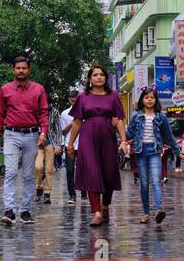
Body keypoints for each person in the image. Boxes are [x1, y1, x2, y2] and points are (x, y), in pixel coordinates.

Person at [65, 65, 129, 227]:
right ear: (89, 79)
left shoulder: (113, 96)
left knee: (108, 173)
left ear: (106, 78)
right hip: (87, 137)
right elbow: (78, 122)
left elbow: (119, 119)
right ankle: (97, 213)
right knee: (92, 171)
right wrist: (70, 144)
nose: (98, 77)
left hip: (107, 137)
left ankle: (105, 205)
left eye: (101, 74)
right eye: (95, 75)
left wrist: (123, 141)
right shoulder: (82, 97)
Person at [0, 54, 49, 225]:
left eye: (24, 68)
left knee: (30, 175)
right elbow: (0, 114)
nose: (21, 70)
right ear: (13, 70)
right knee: (10, 172)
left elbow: (44, 112)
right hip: (11, 134)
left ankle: (25, 210)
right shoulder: (5, 89)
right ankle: (9, 210)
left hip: (32, 135)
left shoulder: (38, 89)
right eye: (18, 68)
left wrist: (43, 132)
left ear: (29, 70)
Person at [126, 86, 179, 224]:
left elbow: (169, 136)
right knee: (144, 183)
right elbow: (129, 134)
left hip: (155, 151)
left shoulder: (161, 117)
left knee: (156, 181)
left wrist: (177, 151)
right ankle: (146, 213)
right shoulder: (136, 116)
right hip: (140, 151)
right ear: (142, 100)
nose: (149, 100)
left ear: (156, 100)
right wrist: (117, 128)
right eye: (146, 97)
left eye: (152, 98)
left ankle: (159, 210)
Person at [33, 100, 63, 206]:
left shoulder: (54, 112)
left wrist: (58, 144)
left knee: (49, 170)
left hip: (51, 143)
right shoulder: (36, 111)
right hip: (38, 143)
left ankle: (47, 194)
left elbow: (58, 129)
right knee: (38, 167)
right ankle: (39, 187)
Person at [60, 96, 78, 203]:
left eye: (75, 100)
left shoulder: (84, 112)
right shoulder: (65, 114)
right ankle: (72, 194)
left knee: (84, 169)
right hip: (69, 145)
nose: (73, 102)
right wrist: (71, 125)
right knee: (70, 170)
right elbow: (63, 132)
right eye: (71, 100)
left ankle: (85, 191)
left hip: (82, 144)